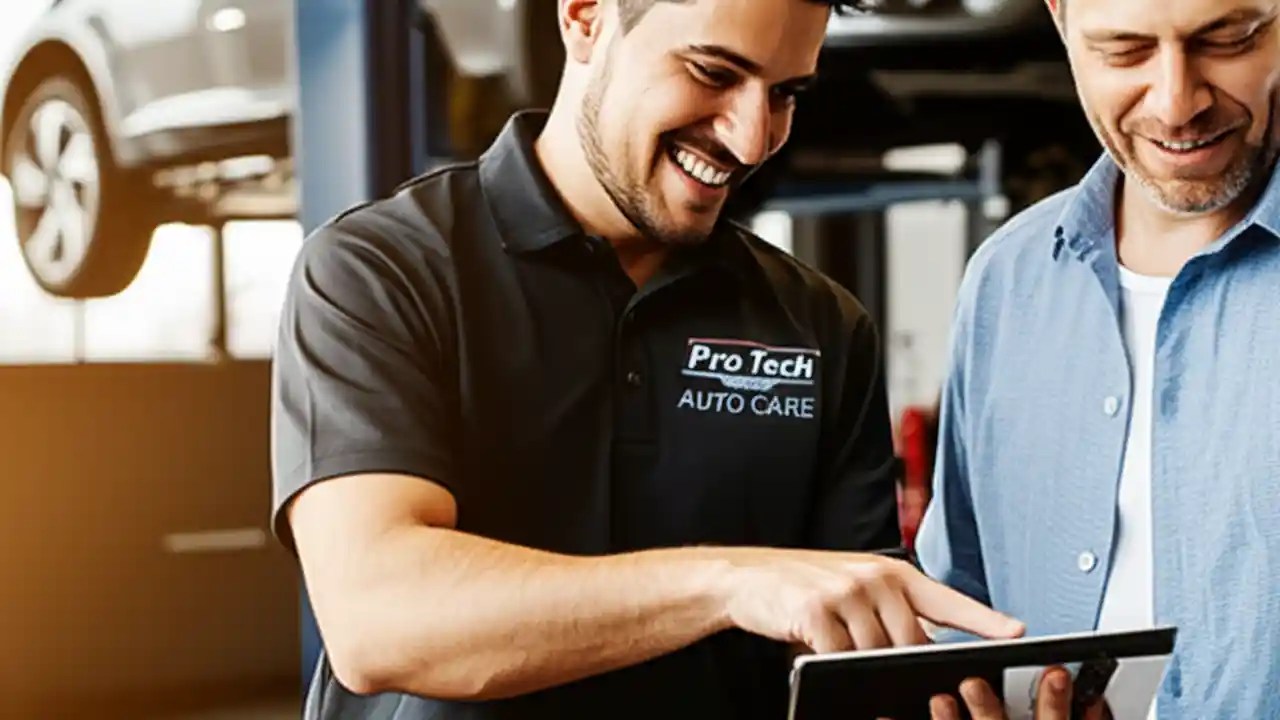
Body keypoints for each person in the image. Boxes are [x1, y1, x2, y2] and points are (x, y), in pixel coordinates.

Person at [270, 1, 1029, 719]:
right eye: (712, 72)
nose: (751, 139)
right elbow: (378, 621)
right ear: (585, 17)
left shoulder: (820, 325)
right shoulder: (384, 271)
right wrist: (730, 583)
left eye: (785, 94)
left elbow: (851, 662)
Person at [916, 0, 1280, 718]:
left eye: (1227, 38)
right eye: (1124, 49)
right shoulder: (1007, 280)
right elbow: (960, 605)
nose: (1177, 103)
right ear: (1059, 17)